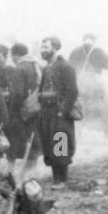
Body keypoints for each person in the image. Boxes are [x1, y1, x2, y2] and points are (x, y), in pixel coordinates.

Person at [36, 36, 78, 185]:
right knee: (49, 143)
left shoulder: (65, 67)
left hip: (59, 112)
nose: (43, 50)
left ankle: (62, 179)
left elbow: (72, 92)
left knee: (61, 143)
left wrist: (63, 111)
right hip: (46, 111)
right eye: (42, 47)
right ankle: (56, 178)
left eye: (46, 47)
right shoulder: (46, 67)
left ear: (55, 48)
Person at [5, 42, 40, 175]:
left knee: (15, 141)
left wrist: (13, 110)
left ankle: (14, 171)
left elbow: (18, 93)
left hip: (21, 111)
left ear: (15, 55)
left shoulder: (20, 68)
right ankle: (31, 169)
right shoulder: (34, 64)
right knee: (31, 139)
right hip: (34, 108)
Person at [69, 34, 108, 134]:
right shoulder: (98, 52)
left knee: (79, 105)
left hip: (80, 83)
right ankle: (106, 132)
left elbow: (69, 67)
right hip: (95, 83)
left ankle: (78, 132)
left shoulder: (76, 51)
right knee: (103, 105)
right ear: (94, 41)